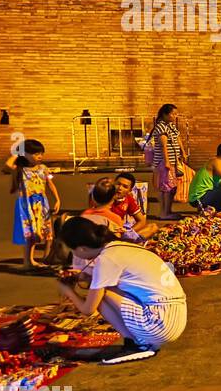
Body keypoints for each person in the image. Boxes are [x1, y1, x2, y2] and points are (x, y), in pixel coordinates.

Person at [55, 217, 187, 364]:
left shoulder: (106, 259)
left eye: (73, 251)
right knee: (102, 288)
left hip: (159, 325)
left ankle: (136, 343)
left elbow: (88, 309)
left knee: (101, 295)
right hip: (175, 317)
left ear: (81, 248)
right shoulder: (120, 247)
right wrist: (86, 278)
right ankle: (139, 341)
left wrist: (68, 291)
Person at [11, 139, 60, 271]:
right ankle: (27, 261)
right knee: (30, 232)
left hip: (41, 203)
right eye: (36, 153)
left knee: (43, 232)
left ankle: (38, 260)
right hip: (26, 204)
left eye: (41, 154)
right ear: (25, 154)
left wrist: (57, 199)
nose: (40, 157)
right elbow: (7, 166)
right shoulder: (20, 169)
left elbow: (50, 184)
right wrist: (17, 154)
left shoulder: (43, 168)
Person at [147, 103, 185, 220]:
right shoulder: (161, 127)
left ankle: (168, 211)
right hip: (164, 162)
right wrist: (167, 161)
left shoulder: (171, 126)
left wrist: (182, 152)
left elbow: (178, 138)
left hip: (173, 161)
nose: (175, 116)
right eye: (173, 114)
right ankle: (164, 213)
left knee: (171, 187)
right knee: (167, 187)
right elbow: (164, 145)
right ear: (165, 114)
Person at [110, 171, 158, 238]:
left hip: (120, 232)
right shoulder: (106, 195)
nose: (120, 188)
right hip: (106, 232)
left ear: (130, 190)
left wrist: (128, 232)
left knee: (153, 227)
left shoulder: (128, 199)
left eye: (125, 186)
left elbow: (142, 221)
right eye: (118, 184)